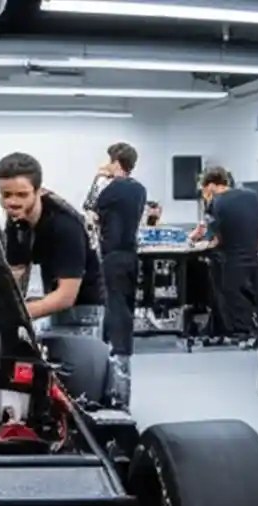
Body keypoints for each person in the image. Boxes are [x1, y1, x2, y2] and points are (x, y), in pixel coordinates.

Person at [0, 152, 106, 336]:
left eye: (22, 195)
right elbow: (16, 272)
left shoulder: (65, 226)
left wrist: (15, 314)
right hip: (54, 304)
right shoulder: (16, 219)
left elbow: (66, 297)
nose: (12, 202)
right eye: (6, 195)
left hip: (83, 311)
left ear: (39, 191)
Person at [93, 142, 146, 409]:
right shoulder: (139, 189)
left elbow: (92, 205)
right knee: (124, 303)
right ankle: (121, 346)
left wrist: (100, 177)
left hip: (112, 254)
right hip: (131, 253)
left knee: (113, 303)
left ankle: (117, 351)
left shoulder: (112, 187)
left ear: (116, 162)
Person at [199, 166, 258, 342]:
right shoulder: (252, 197)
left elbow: (215, 240)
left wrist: (207, 207)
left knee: (225, 293)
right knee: (248, 297)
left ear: (210, 185)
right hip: (252, 258)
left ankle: (238, 333)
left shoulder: (217, 202)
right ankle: (244, 331)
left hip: (229, 261)